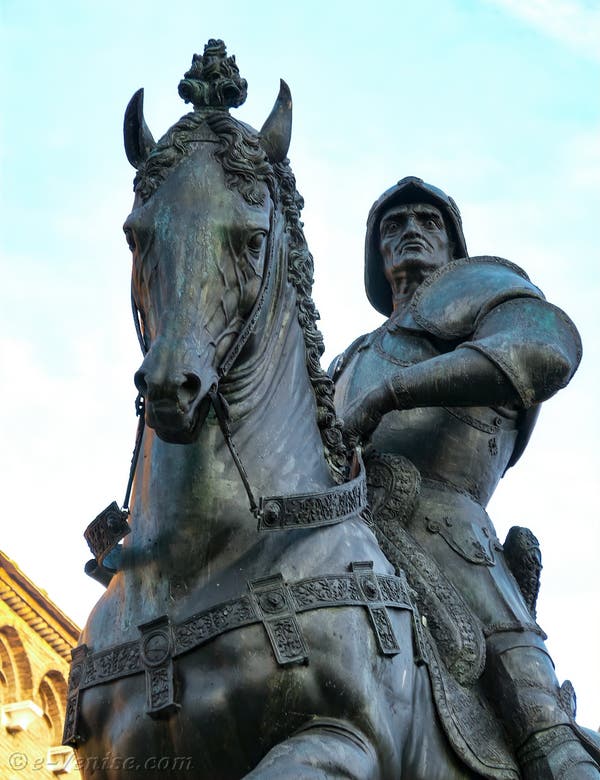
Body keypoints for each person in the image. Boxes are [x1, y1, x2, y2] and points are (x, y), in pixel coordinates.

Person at [330, 176, 599, 779]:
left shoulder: (487, 297)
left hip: (452, 538)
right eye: (393, 227)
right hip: (344, 543)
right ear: (377, 254)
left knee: (543, 734)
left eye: (427, 221)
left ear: (453, 244)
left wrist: (394, 392)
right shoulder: (344, 361)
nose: (409, 232)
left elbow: (548, 349)